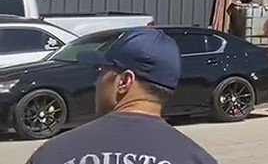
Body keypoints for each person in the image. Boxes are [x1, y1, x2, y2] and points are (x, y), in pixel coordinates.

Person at [25, 28, 216, 164]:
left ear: (124, 81)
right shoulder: (195, 158)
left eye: (103, 71)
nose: (97, 81)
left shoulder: (53, 154)